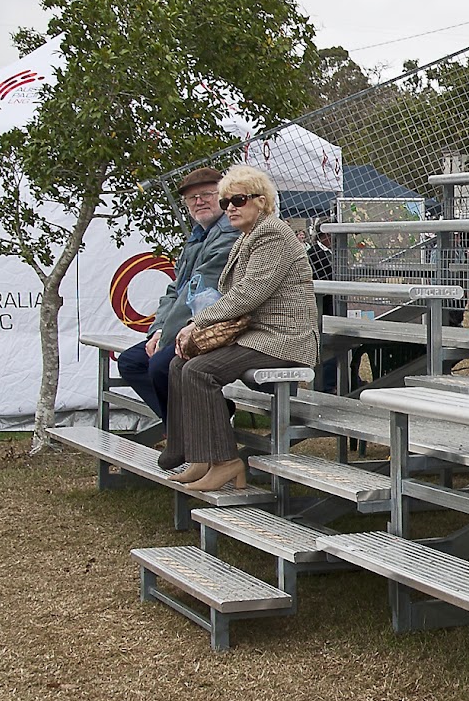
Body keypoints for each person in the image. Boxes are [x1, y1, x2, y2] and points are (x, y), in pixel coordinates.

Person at [156, 165, 318, 492]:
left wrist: (197, 323)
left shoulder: (271, 233)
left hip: (285, 339)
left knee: (200, 371)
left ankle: (227, 462)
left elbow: (248, 294)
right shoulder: (247, 236)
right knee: (178, 363)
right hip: (257, 334)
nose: (229, 206)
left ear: (262, 201)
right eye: (226, 200)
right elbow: (233, 293)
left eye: (238, 200)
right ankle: (198, 455)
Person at [116, 167, 237, 421]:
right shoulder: (198, 236)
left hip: (213, 326)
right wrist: (158, 330)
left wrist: (165, 337)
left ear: (225, 197)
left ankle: (190, 432)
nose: (199, 201)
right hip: (184, 327)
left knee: (160, 366)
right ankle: (198, 423)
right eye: (192, 198)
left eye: (206, 194)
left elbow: (199, 291)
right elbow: (174, 290)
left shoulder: (229, 234)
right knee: (131, 362)